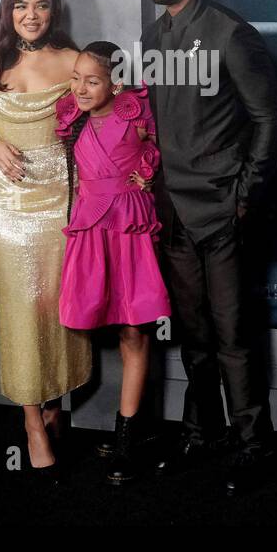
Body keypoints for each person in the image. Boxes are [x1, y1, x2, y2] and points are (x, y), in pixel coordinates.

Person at [143, 0, 277, 497]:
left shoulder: (231, 33)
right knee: (195, 336)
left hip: (222, 209)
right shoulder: (152, 37)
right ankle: (200, 432)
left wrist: (244, 192)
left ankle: (253, 442)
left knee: (233, 335)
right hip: (172, 209)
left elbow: (270, 118)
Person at [0, 0, 91, 481]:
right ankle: (31, 425)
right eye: (22, 6)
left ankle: (58, 402)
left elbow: (104, 121)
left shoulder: (73, 60)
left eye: (41, 5)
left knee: (60, 304)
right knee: (21, 309)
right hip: (9, 205)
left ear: (53, 11)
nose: (32, 15)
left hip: (64, 200)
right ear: (8, 11)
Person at [55, 41, 171, 485]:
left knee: (134, 330)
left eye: (93, 80)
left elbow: (162, 150)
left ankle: (127, 438)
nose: (81, 88)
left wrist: (148, 169)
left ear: (115, 82)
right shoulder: (70, 114)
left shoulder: (135, 111)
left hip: (127, 231)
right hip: (90, 227)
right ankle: (130, 431)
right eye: (77, 77)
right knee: (92, 320)